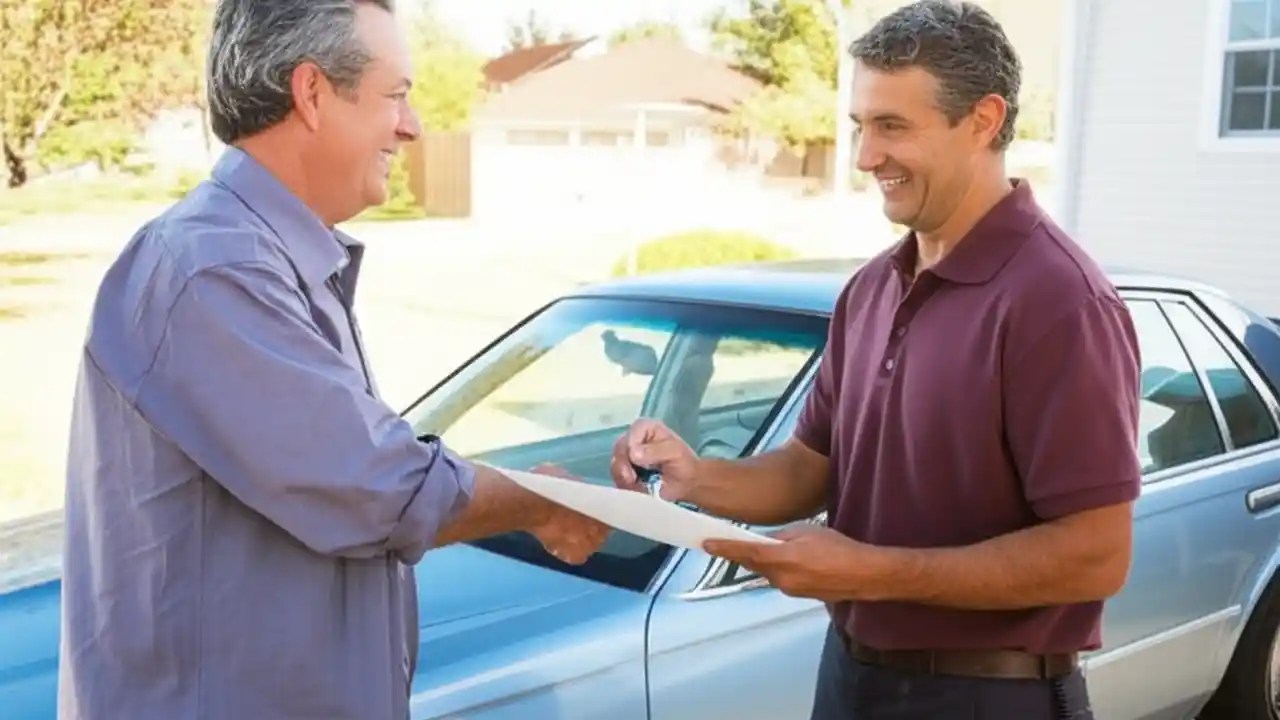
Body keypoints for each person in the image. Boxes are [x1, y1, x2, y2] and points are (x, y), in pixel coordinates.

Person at [57, 1, 609, 718]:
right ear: (312, 93)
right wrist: (539, 502)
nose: (411, 127)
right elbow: (373, 485)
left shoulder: (262, 256)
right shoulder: (213, 266)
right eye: (397, 96)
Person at [610, 1, 1142, 718]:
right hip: (851, 678)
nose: (864, 156)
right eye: (863, 125)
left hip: (990, 696)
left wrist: (870, 570)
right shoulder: (869, 291)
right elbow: (808, 469)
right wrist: (697, 476)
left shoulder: (1059, 301)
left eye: (893, 126)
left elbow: (1096, 555)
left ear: (983, 120)